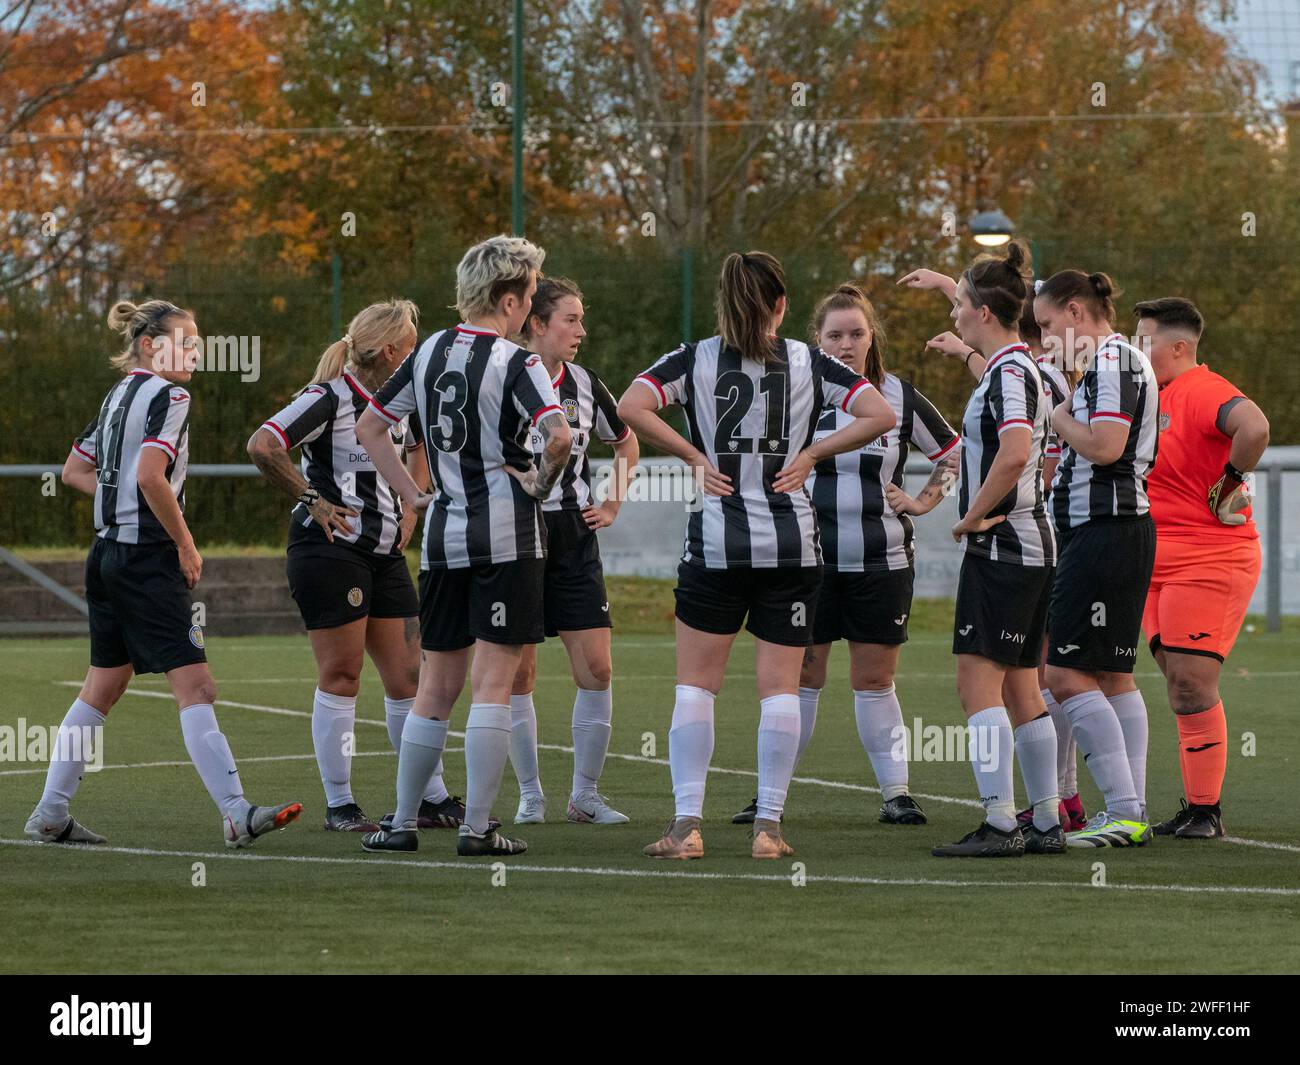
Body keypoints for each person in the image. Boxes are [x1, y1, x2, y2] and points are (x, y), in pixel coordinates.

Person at [618, 251, 896, 860]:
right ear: (782, 306)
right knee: (778, 690)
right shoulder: (810, 360)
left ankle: (686, 827)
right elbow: (882, 413)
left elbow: (630, 406)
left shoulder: (693, 358)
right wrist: (814, 454)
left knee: (696, 687)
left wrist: (694, 455)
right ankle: (767, 828)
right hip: (792, 547)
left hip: (716, 545)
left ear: (723, 303)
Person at [26, 300, 301, 848]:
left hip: (105, 557)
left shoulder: (116, 395)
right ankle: (235, 812)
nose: (197, 354)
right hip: (147, 560)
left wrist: (124, 496)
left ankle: (50, 814)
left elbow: (74, 470)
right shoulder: (171, 395)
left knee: (103, 684)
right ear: (151, 345)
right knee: (196, 685)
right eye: (188, 342)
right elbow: (153, 476)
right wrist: (185, 543)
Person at [354, 235, 571, 857]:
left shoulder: (426, 354)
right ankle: (477, 828)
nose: (531, 309)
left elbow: (372, 427)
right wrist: (537, 482)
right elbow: (557, 441)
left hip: (446, 538)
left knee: (435, 686)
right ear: (508, 298)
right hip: (508, 538)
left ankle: (400, 824)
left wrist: (412, 496)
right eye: (530, 296)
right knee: (494, 684)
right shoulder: (517, 360)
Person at [730, 282, 959, 828]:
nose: (846, 343)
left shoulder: (898, 397)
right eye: (834, 335)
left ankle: (896, 793)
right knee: (802, 676)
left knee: (875, 680)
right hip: (807, 564)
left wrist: (926, 500)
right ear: (817, 339)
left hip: (882, 563)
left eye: (856, 333)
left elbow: (956, 455)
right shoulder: (793, 395)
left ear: (871, 336)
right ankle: (771, 797)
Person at [248, 299, 465, 832]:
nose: (418, 352)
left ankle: (429, 798)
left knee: (411, 678)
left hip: (385, 555)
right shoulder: (329, 397)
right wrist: (313, 500)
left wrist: (413, 503)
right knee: (343, 676)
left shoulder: (401, 398)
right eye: (412, 344)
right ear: (390, 350)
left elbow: (418, 452)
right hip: (330, 553)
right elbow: (263, 444)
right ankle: (341, 804)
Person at [901, 242, 1063, 858]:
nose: (954, 315)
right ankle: (1045, 820)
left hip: (1006, 546)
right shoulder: (1021, 366)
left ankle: (1001, 823)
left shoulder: (1010, 371)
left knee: (978, 687)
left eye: (961, 304)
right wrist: (950, 281)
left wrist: (972, 516)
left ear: (986, 314)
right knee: (1023, 687)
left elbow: (1017, 450)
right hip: (1031, 544)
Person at [503, 278, 640, 827]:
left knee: (598, 669)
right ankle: (530, 794)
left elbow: (626, 440)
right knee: (519, 675)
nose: (581, 331)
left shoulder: (584, 383)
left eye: (582, 320)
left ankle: (585, 795)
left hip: (574, 537)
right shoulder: (503, 374)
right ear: (537, 323)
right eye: (571, 320)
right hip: (516, 535)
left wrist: (611, 503)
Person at [1135, 297, 1269, 839]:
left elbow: (1254, 427)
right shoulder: (1152, 395)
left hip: (1208, 557)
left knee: (1191, 684)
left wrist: (1231, 481)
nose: (1137, 351)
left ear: (1179, 347)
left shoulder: (1204, 389)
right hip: (1154, 558)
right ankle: (1196, 807)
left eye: (1145, 341)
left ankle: (1206, 811)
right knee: (1179, 685)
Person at [1035, 270, 1160, 848]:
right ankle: (1130, 808)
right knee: (1112, 674)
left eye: (1047, 324)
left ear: (1076, 312)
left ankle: (1125, 808)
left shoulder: (1114, 362)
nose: (1044, 339)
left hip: (1105, 533)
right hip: (1115, 532)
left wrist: (1056, 414)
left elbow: (1107, 446)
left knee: (1063, 672)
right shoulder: (1116, 362)